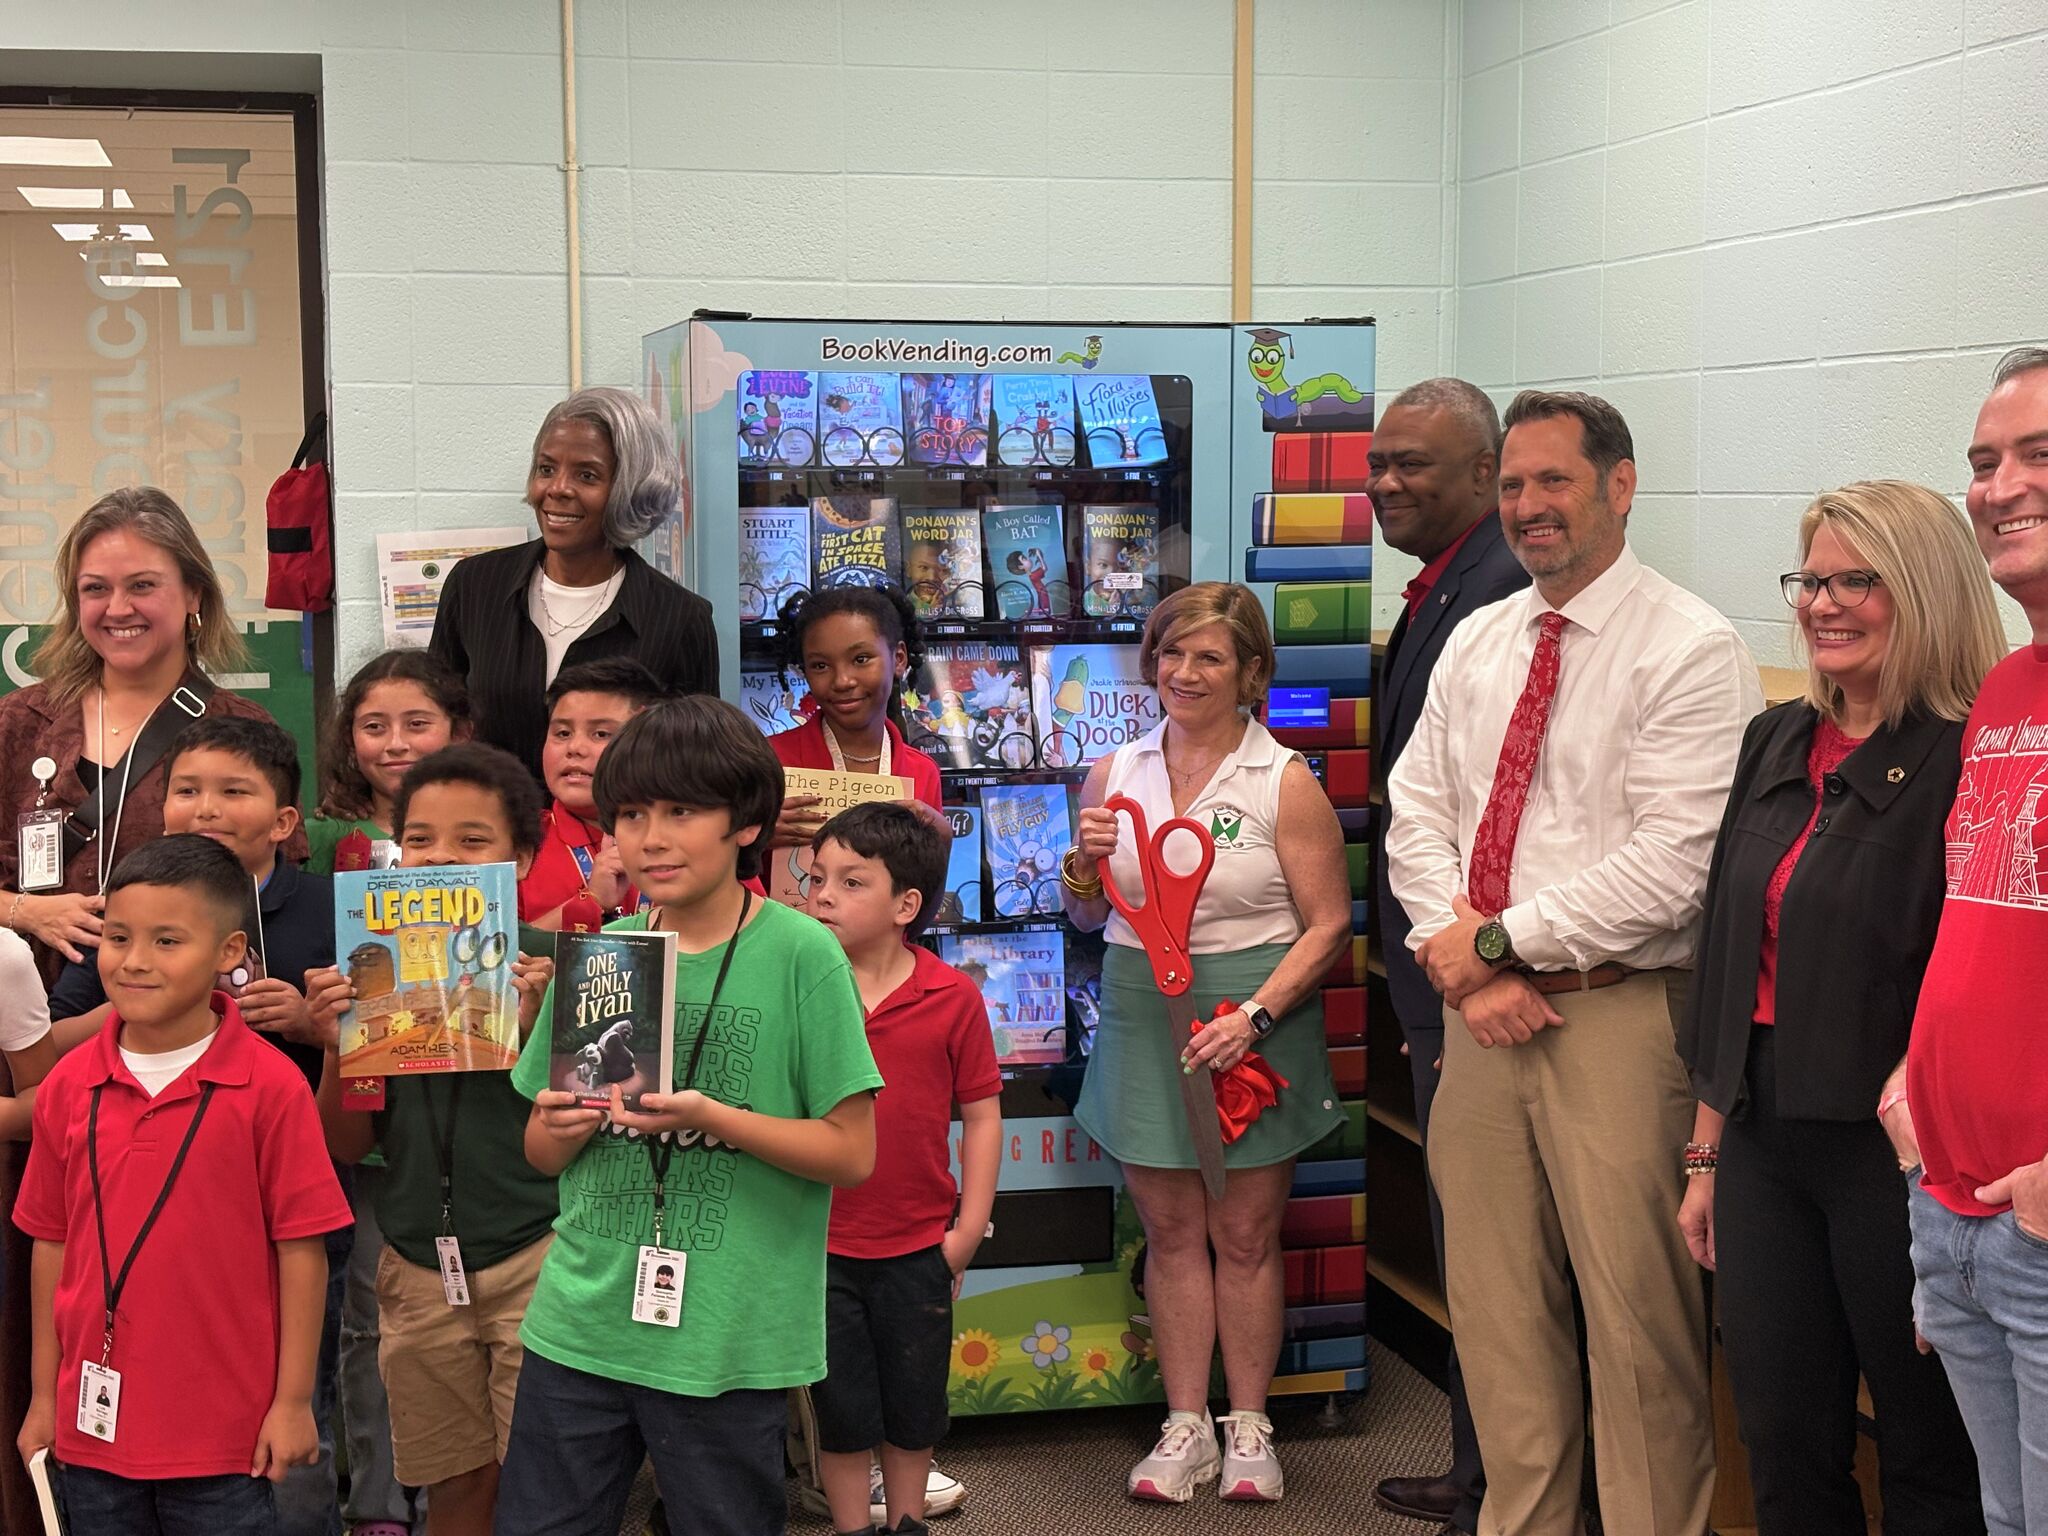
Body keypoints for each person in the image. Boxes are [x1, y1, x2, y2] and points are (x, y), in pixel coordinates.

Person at [1386, 390, 1763, 1536]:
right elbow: (1416, 815)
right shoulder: (1477, 637)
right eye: (1510, 484)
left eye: (1552, 480)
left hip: (1616, 1021)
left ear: (1620, 484)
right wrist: (1469, 968)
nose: (1527, 506)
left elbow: (1676, 868)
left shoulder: (1691, 648)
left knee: (1639, 1336)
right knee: (1498, 1331)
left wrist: (1498, 943)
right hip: (1480, 1023)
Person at [1679, 482, 1995, 1535]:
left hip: (1895, 1160)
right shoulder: (1772, 740)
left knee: (1925, 1448)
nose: (1823, 602)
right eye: (1810, 579)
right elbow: (1728, 957)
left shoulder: (1968, 760)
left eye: (1857, 580)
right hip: (1762, 1144)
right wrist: (1704, 1152)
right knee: (1779, 1437)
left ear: (1923, 591)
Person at [499, 697, 882, 1536]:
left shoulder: (801, 952)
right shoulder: (606, 949)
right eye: (632, 813)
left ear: (746, 824)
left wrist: (714, 1116)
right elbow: (538, 1145)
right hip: (581, 1314)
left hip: (727, 1329)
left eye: (682, 812)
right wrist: (558, 1130)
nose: (652, 837)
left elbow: (852, 1152)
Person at [0, 484, 302, 1532]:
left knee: (164, 1283)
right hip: (19, 1037)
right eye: (94, 588)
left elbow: (266, 904)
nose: (117, 607)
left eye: (142, 585)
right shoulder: (23, 719)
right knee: (40, 1281)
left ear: (192, 596)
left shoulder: (234, 729)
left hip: (170, 1062)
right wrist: (23, 909)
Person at [1062, 582, 1351, 1504]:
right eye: (1171, 654)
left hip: (1250, 1016)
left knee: (1245, 1232)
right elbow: (1082, 912)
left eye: (1209, 658)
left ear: (1251, 673)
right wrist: (1080, 865)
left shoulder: (1283, 779)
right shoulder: (1114, 771)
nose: (1183, 673)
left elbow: (1329, 926)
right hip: (1144, 1008)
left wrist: (1252, 1018)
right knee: (1172, 1230)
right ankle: (1184, 1428)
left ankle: (1251, 1429)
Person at [44, 714, 351, 1534]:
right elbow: (51, 1240)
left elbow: (302, 1247)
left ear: (228, 953)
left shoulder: (267, 1087)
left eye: (167, 942)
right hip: (90, 1430)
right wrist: (44, 1395)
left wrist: (291, 1401)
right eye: (117, 938)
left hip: (226, 1440)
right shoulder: (74, 1081)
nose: (134, 960)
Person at [307, 745, 558, 1536]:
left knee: (546, 1485)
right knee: (453, 1485)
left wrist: (540, 1030)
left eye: (472, 841)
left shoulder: (554, 966)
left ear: (520, 856)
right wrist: (335, 1044)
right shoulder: (371, 966)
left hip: (540, 1257)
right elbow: (346, 1145)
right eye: (419, 840)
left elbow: (598, 1131)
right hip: (417, 1262)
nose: (440, 858)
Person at [1366, 377, 1530, 1536]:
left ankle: (1500, 1488)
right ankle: (1481, 1475)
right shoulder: (1440, 590)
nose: (1383, 484)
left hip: (1481, 974)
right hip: (1438, 967)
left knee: (1492, 1246)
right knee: (1469, 1237)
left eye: (1412, 465)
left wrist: (1469, 952)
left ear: (1481, 475)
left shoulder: (1503, 591)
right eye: (1377, 462)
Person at [1899, 344, 2048, 1536]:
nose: (1998, 486)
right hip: (1951, 1207)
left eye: (2035, 455)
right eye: (1983, 463)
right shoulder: (2003, 689)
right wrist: (1915, 1108)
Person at [804, 803, 1001, 1536]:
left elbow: (981, 1115)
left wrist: (970, 1228)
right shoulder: (803, 988)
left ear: (906, 906)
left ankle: (908, 1522)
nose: (822, 895)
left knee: (916, 1405)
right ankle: (853, 1526)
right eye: (816, 877)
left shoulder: (953, 997)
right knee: (842, 1408)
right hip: (818, 1244)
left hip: (920, 1243)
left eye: (851, 882)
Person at [427, 387, 718, 779]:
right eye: (546, 469)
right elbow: (433, 718)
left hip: (612, 836)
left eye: (587, 475)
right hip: (489, 831)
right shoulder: (474, 586)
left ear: (629, 490)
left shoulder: (680, 617)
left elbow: (698, 760)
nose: (557, 488)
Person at [768, 585, 944, 834]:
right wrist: (752, 842)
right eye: (820, 665)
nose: (842, 681)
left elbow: (927, 873)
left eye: (861, 659)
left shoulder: (923, 772)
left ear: (899, 658)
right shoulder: (768, 761)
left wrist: (942, 839)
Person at [519, 657, 663, 930]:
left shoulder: (696, 836)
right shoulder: (515, 838)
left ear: (648, 740)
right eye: (562, 733)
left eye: (600, 734)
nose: (575, 748)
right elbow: (494, 956)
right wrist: (592, 901)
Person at [307, 648, 475, 876]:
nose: (396, 744)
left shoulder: (492, 829)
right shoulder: (319, 837)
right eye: (374, 726)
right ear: (350, 738)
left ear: (459, 734)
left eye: (417, 724)